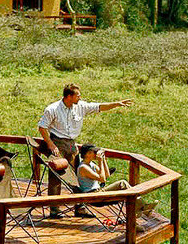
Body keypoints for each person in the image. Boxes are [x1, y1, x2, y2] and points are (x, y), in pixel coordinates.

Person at [37, 83, 132, 217]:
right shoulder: (52, 109)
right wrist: (51, 145)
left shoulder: (80, 106)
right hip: (57, 143)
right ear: (69, 96)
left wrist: (116, 103)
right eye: (78, 95)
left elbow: (98, 106)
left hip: (71, 144)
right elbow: (42, 127)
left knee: (77, 176)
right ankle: (54, 209)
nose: (80, 97)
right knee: (56, 177)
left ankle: (80, 207)